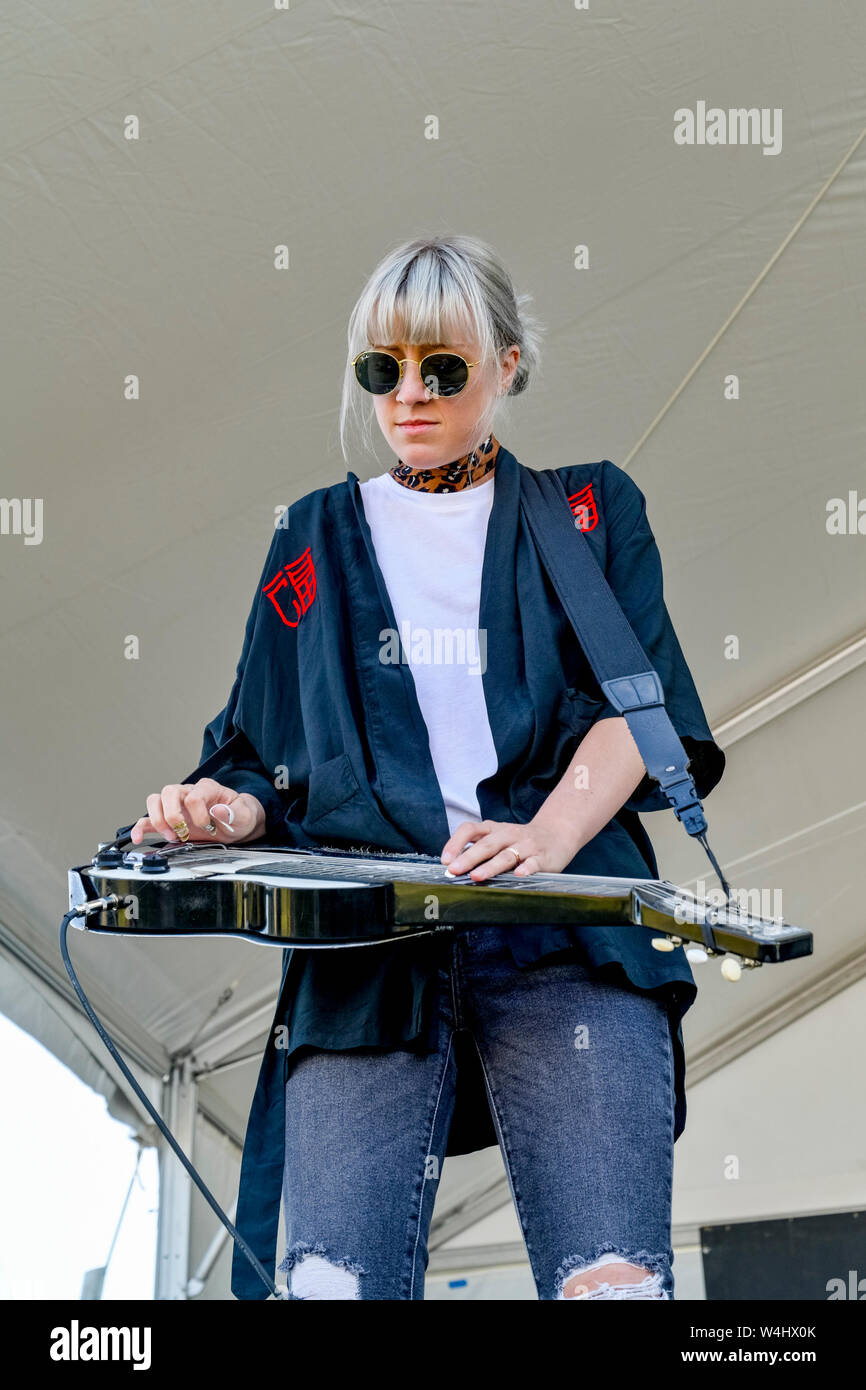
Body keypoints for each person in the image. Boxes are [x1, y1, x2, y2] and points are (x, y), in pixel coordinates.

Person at [131, 234, 725, 1301]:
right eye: (381, 368)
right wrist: (221, 810)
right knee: (327, 1287)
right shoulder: (313, 533)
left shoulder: (587, 509)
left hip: (564, 933)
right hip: (364, 953)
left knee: (614, 1284)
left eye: (441, 368)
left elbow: (646, 708)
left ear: (505, 363)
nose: (407, 395)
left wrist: (543, 836)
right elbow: (258, 755)